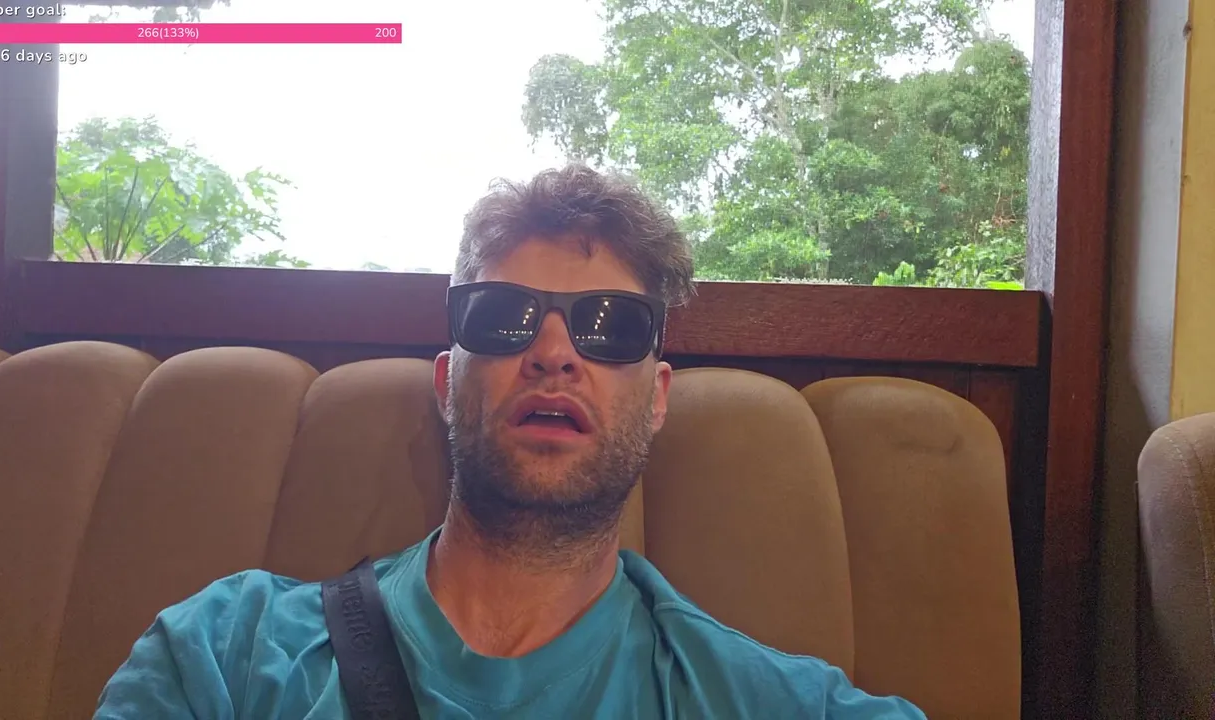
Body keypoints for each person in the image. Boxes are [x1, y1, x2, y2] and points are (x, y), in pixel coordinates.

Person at [94, 165, 926, 719]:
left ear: (657, 398)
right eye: (504, 318)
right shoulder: (225, 653)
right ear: (445, 383)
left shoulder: (759, 699)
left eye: (611, 327)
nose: (554, 353)